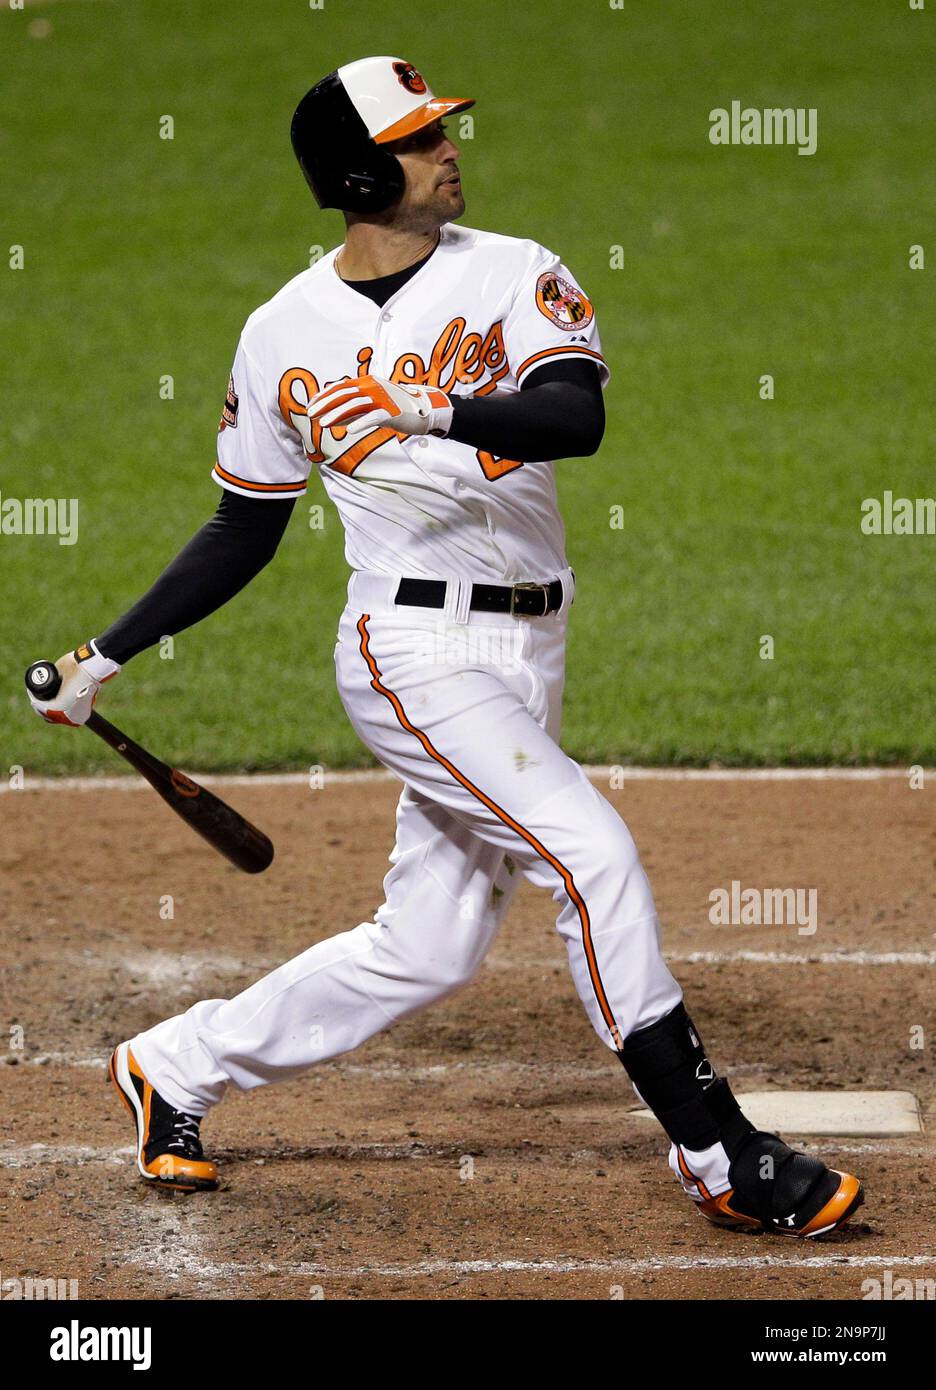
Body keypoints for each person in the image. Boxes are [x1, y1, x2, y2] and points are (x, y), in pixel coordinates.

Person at [30, 56, 862, 1238]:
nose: (451, 148)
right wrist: (107, 654)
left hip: (530, 644)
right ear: (366, 173)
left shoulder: (519, 272)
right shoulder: (280, 332)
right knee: (594, 858)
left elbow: (578, 415)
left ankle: (177, 1062)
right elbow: (243, 526)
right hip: (409, 653)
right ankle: (722, 1154)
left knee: (430, 948)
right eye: (425, 139)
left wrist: (431, 407)